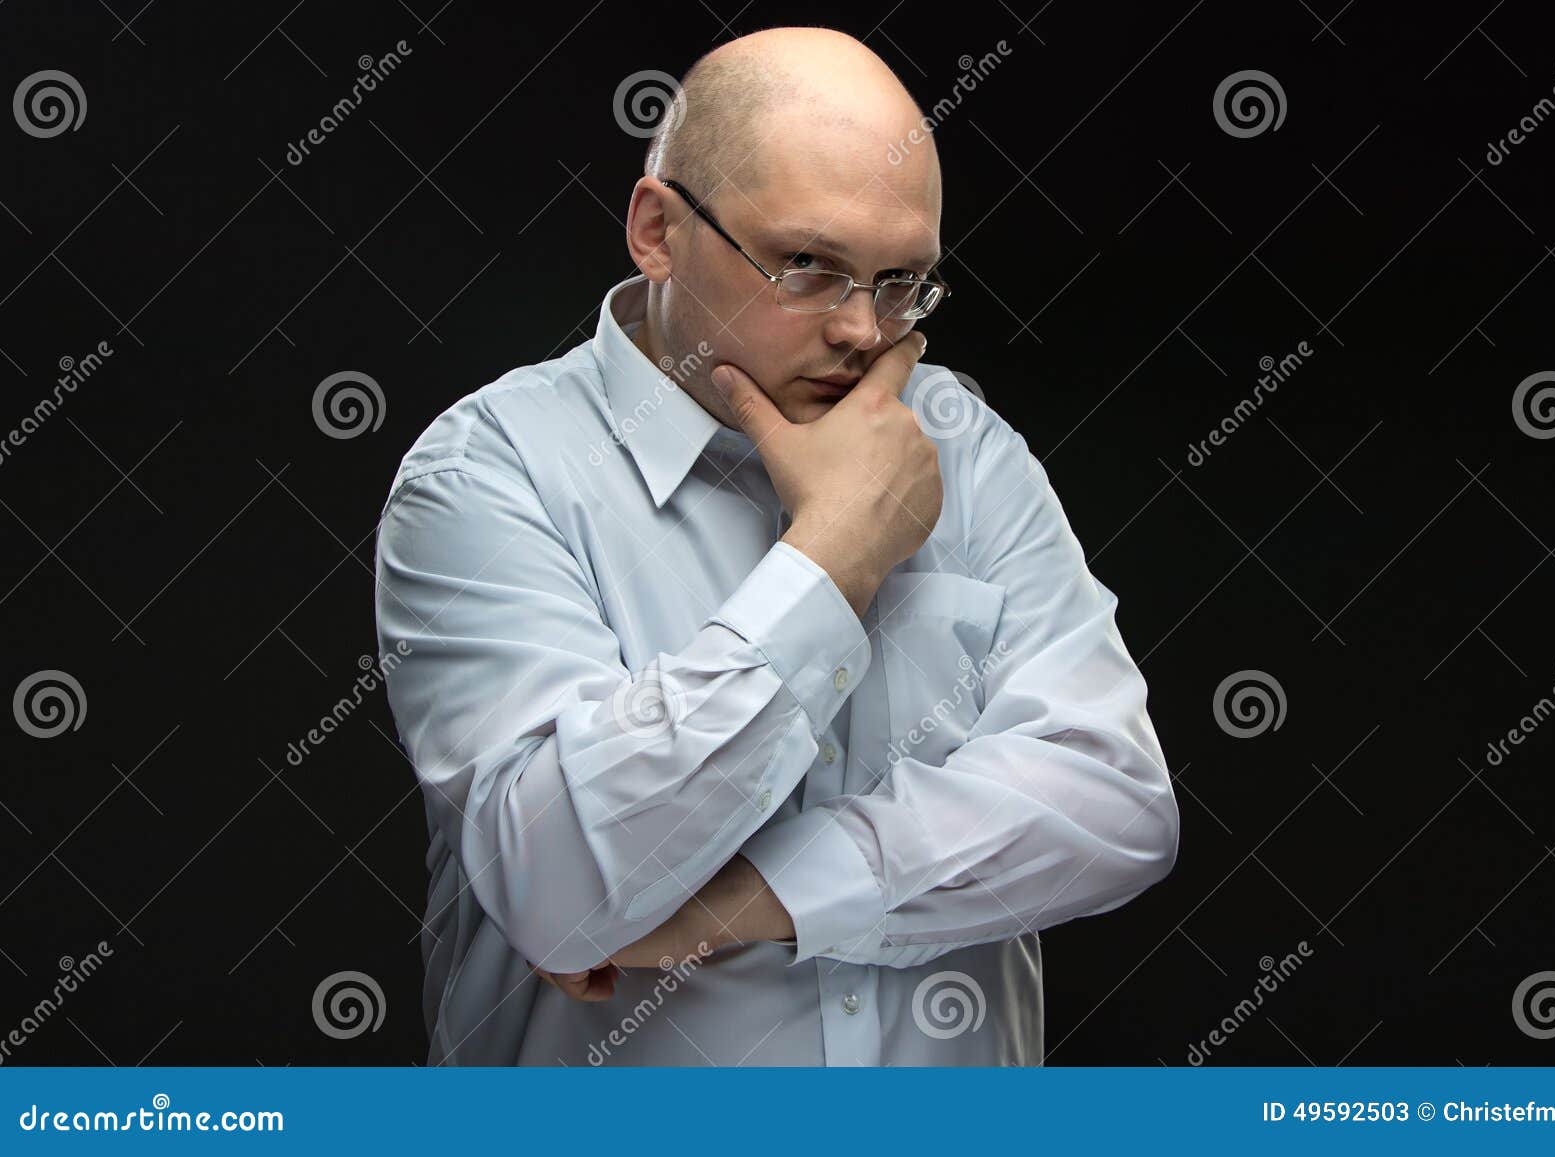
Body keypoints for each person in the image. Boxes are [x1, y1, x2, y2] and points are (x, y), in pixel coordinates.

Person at [373, 25, 1179, 1066]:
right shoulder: (489, 472)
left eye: (901, 282)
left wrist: (748, 899)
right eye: (808, 266)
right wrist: (837, 555)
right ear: (657, 228)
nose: (861, 329)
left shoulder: (963, 446)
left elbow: (1116, 801)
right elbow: (564, 888)